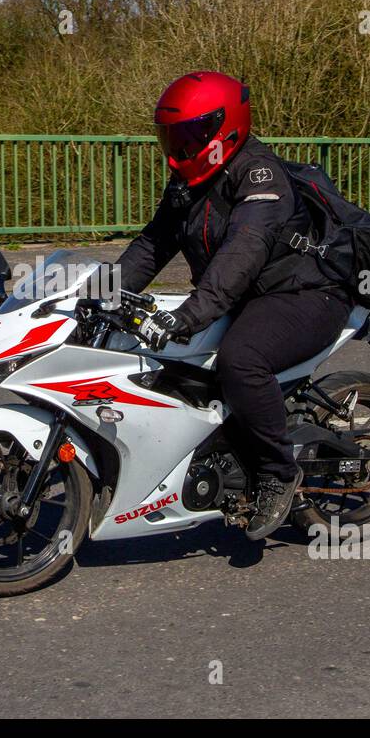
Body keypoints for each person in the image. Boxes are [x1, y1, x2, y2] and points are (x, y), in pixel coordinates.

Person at [116, 70, 353, 540]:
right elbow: (150, 247)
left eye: (188, 136)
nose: (177, 148)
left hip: (304, 294)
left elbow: (241, 255)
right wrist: (93, 296)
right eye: (170, 136)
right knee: (164, 361)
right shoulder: (188, 181)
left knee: (241, 360)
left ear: (224, 128)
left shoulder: (261, 178)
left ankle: (278, 474)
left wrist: (187, 315)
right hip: (243, 295)